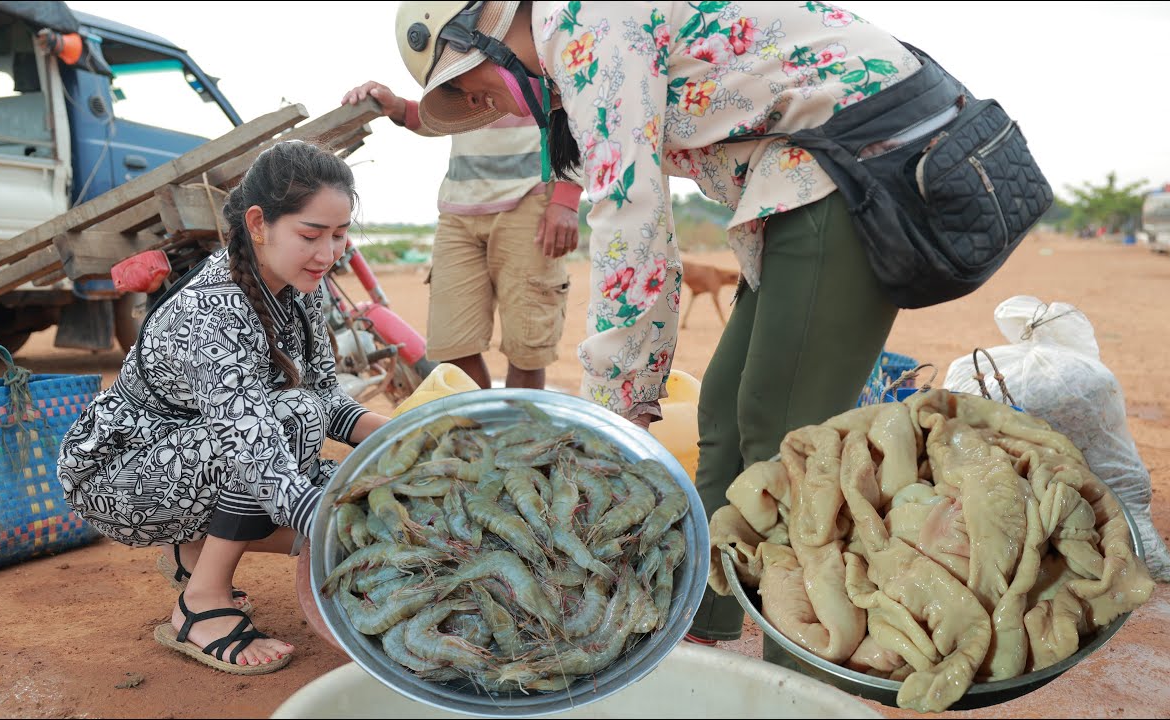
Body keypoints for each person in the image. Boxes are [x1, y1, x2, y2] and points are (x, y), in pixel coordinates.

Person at [392, 1, 915, 644]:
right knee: (724, 412)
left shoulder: (585, 23)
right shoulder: (571, 46)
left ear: (491, 38)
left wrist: (618, 414)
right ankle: (704, 624)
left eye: (479, 88)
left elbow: (632, 220)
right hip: (794, 181)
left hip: (857, 161)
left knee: (783, 435)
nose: (499, 108)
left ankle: (799, 670)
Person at [56, 140, 390, 674]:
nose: (328, 253)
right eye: (311, 234)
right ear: (259, 223)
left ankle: (190, 551)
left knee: (319, 446)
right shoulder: (211, 310)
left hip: (186, 455)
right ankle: (200, 605)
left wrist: (402, 437)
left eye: (339, 234)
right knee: (293, 432)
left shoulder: (300, 286)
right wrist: (320, 524)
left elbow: (327, 395)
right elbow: (252, 443)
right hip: (119, 477)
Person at [339, 78, 583, 390]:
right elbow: (447, 115)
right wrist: (398, 107)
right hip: (459, 207)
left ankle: (517, 438)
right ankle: (483, 435)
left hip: (530, 198)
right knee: (454, 345)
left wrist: (566, 195)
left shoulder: (536, 34)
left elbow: (579, 109)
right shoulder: (451, 41)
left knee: (527, 347)